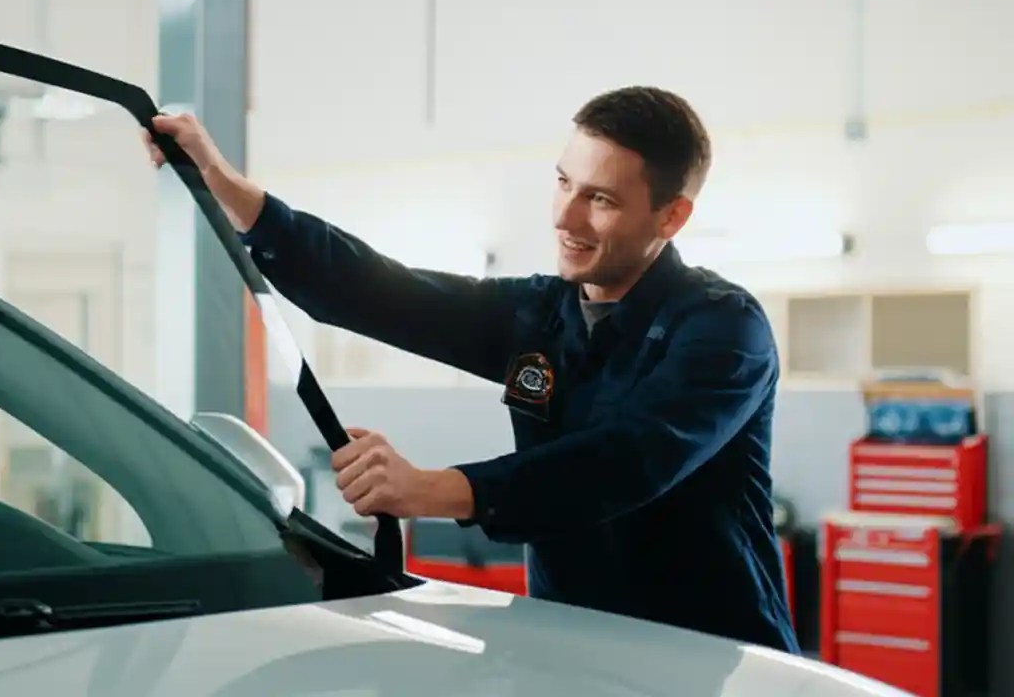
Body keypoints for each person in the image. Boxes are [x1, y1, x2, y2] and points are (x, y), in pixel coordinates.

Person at [143, 86, 800, 654]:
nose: (565, 217)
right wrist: (222, 182)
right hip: (574, 647)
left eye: (599, 199)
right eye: (564, 182)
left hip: (714, 658)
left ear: (672, 215)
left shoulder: (724, 331)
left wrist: (431, 490)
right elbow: (379, 290)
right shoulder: (539, 315)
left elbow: (629, 460)